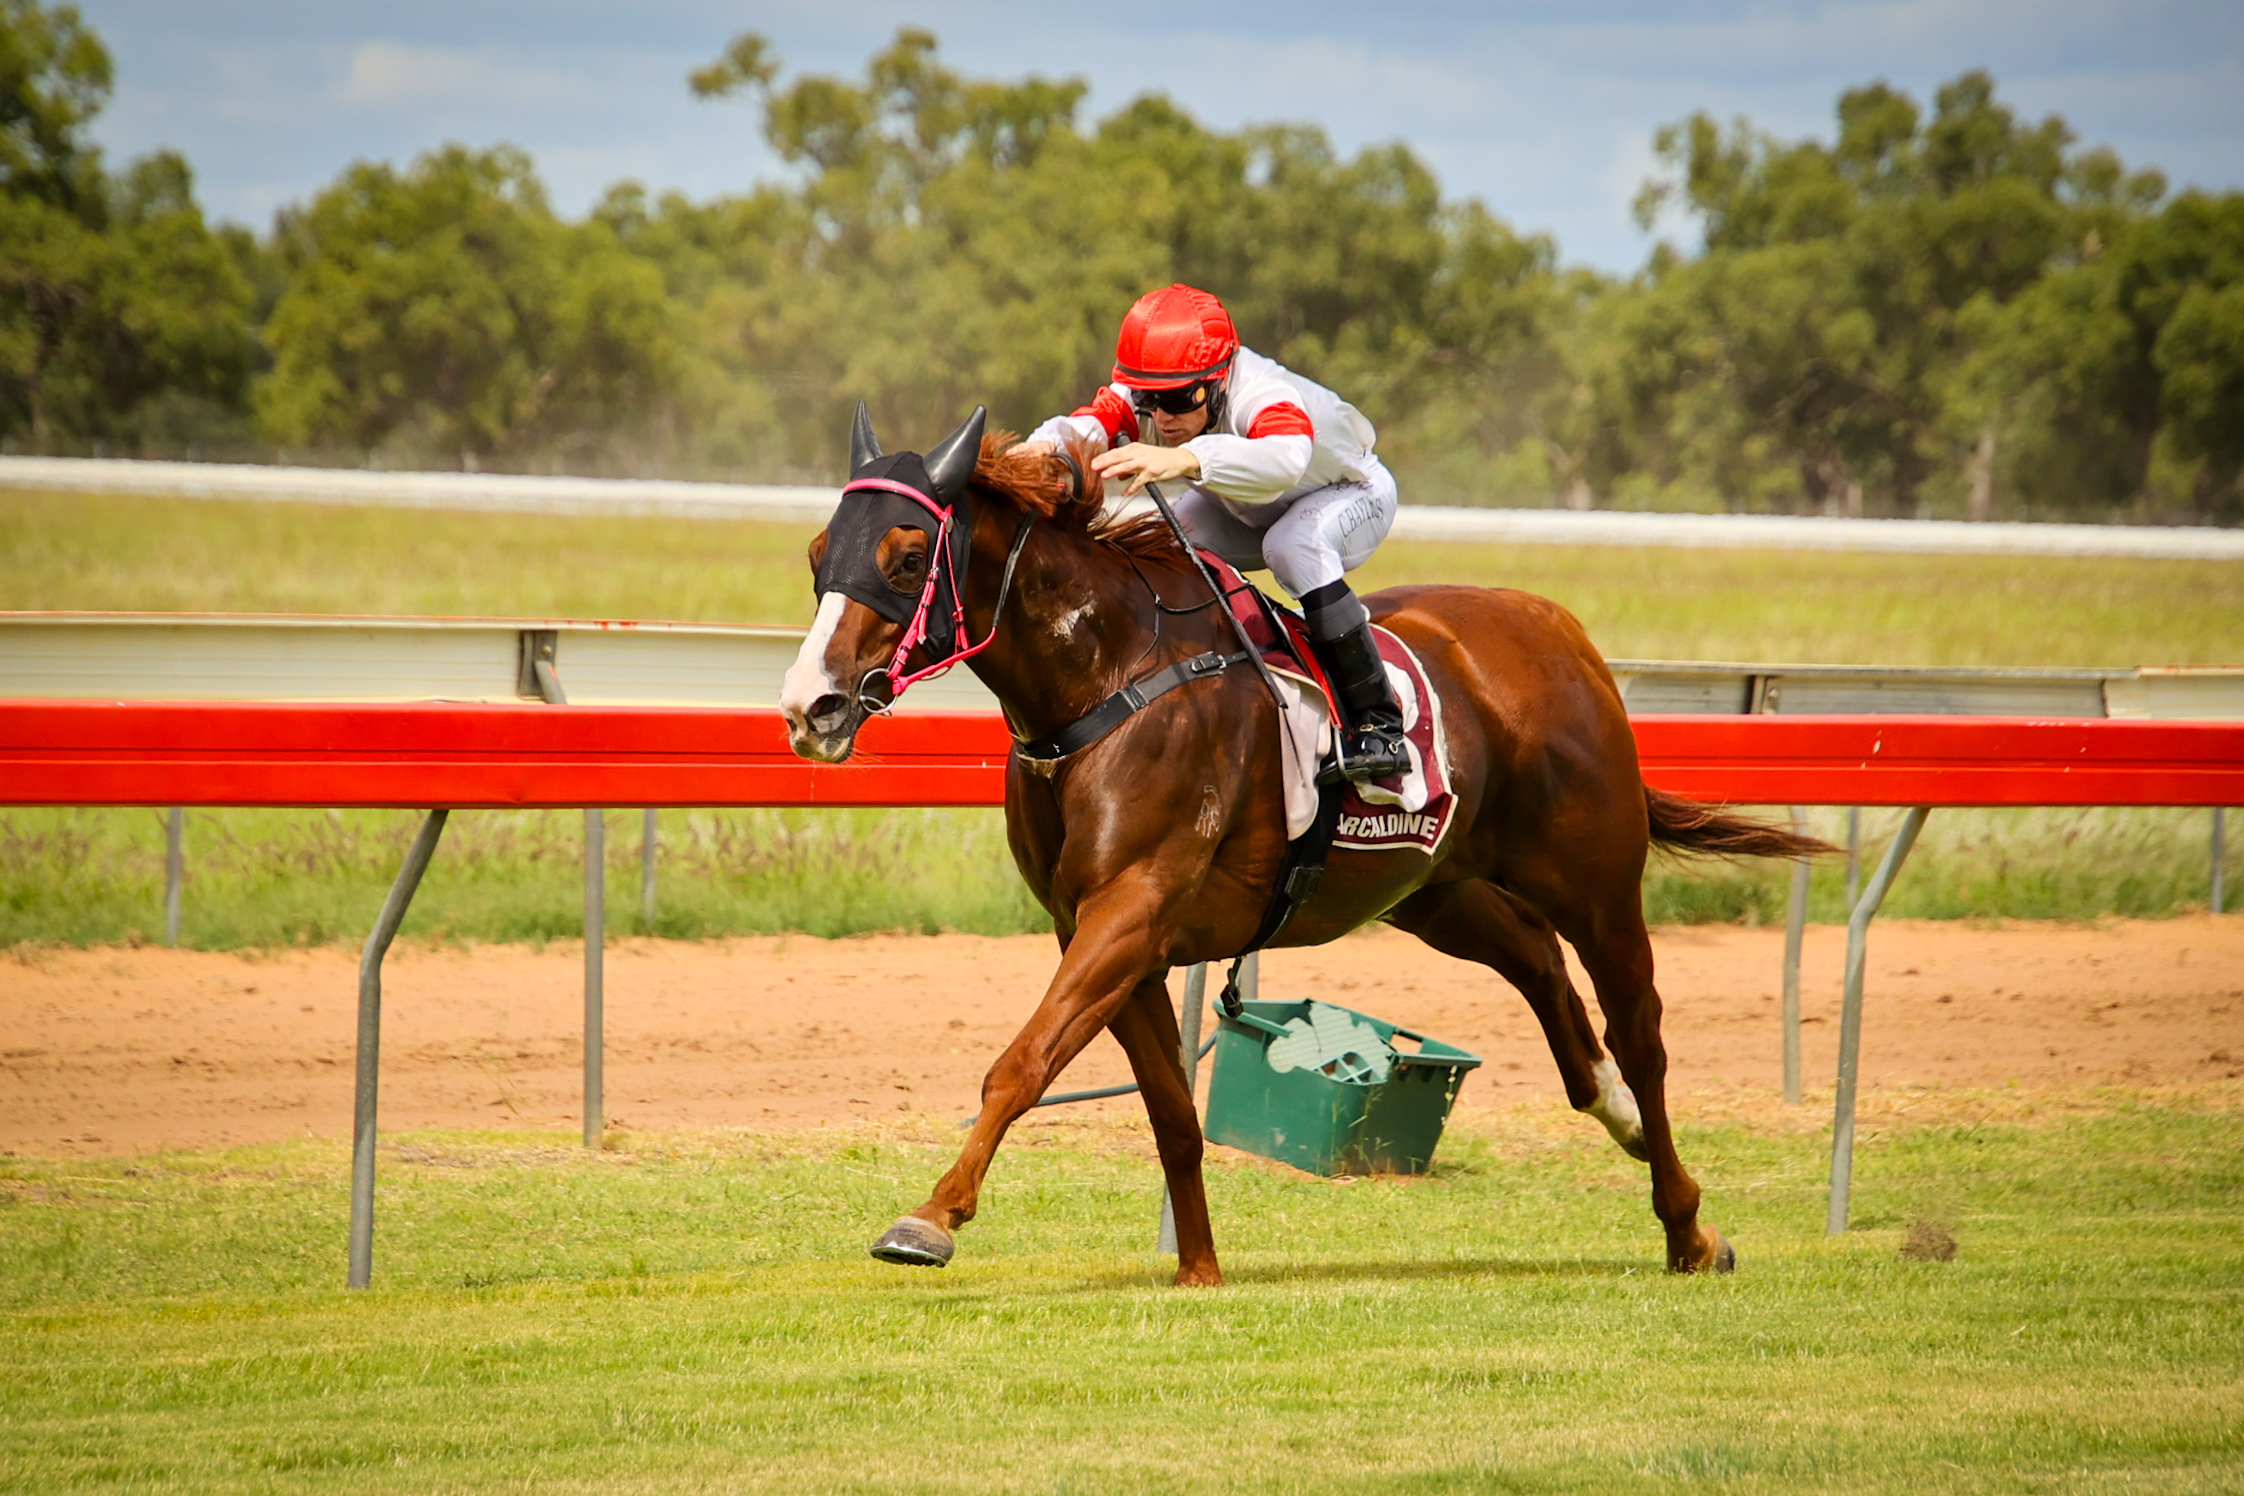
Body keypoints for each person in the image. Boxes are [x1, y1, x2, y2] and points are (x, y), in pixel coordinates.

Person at [1020, 284, 1407, 782]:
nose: (1161, 417)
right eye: (1147, 400)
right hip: (1253, 504)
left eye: (1178, 400)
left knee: (1291, 546)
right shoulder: (1163, 384)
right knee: (1159, 536)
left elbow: (1287, 458)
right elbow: (1091, 422)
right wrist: (1038, 452)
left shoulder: (1262, 391)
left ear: (1218, 380)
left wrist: (1184, 458)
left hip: (1350, 492)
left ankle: (1379, 725)